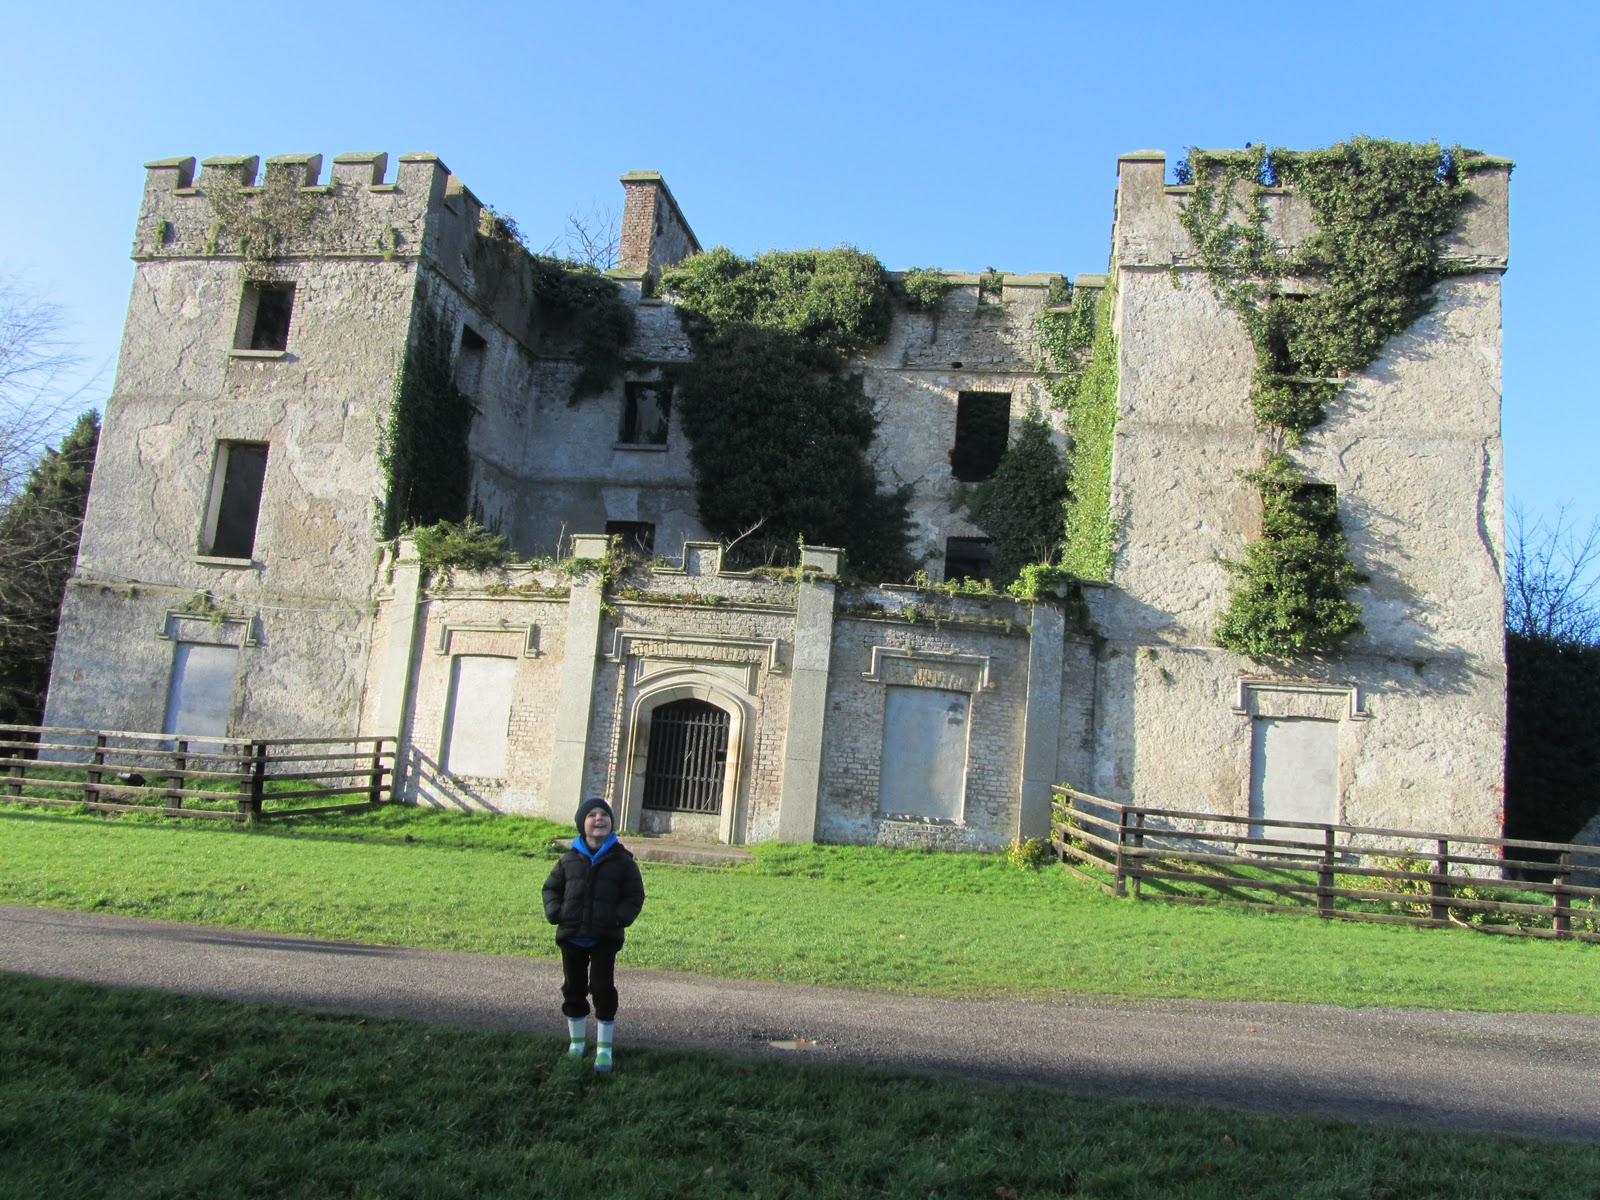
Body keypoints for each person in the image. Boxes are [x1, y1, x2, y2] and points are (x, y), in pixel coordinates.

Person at [542, 796, 645, 1072]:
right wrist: (556, 912)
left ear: (611, 823)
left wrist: (619, 918)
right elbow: (550, 889)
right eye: (592, 815)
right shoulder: (568, 860)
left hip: (604, 937)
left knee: (602, 988)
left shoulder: (622, 861)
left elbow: (634, 895)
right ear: (581, 824)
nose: (599, 818)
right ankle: (576, 1043)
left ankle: (604, 1049)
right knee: (573, 988)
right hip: (572, 934)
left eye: (604, 815)